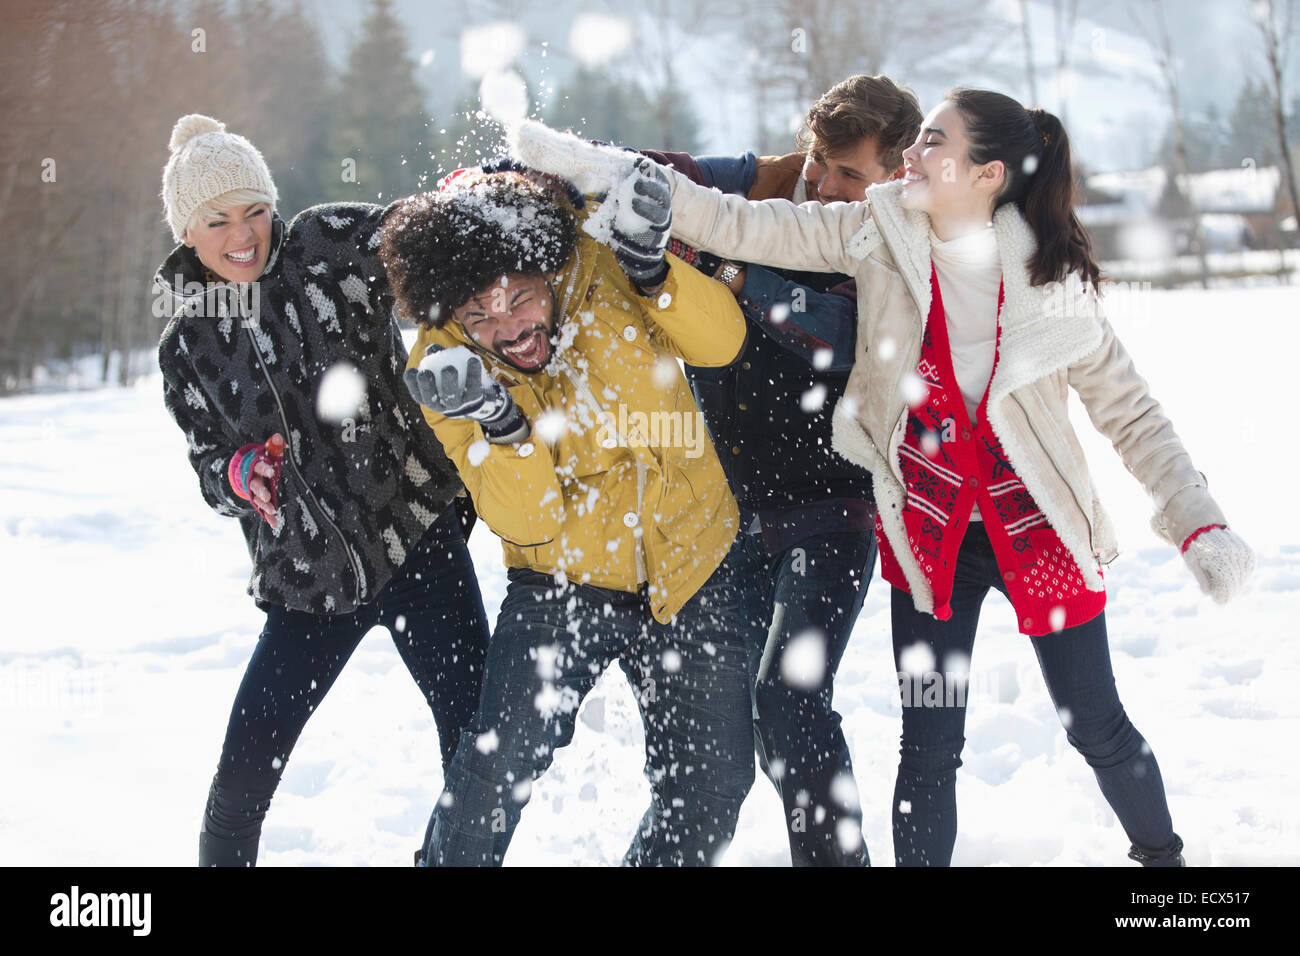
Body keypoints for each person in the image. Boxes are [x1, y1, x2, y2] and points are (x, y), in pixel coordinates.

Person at [511, 89, 1255, 867]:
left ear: (986, 173)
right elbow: (739, 220)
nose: (911, 156)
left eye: (933, 142)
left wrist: (1196, 519)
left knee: (1094, 725)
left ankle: (1166, 870)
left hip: (1041, 536)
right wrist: (601, 168)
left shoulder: (1052, 285)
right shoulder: (878, 229)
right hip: (931, 543)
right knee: (930, 744)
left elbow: (1132, 415)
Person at [382, 163, 760, 866]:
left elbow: (724, 343)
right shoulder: (444, 364)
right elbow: (528, 521)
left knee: (713, 789)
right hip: (559, 584)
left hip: (690, 563)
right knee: (487, 787)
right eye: (481, 317)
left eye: (520, 300)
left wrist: (655, 275)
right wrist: (500, 425)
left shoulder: (607, 262)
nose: (510, 330)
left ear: (547, 271)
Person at [156, 114, 491, 866]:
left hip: (416, 537)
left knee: (477, 747)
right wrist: (242, 476)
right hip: (308, 579)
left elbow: (422, 239)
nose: (244, 234)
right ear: (187, 232)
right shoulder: (187, 345)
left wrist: (476, 194)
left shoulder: (326, 245)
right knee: (244, 769)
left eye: (254, 211)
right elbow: (210, 467)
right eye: (218, 221)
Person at [628, 74, 922, 866]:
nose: (822, 187)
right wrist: (565, 173)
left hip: (835, 504)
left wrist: (720, 269)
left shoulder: (897, 241)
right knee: (709, 742)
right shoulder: (767, 180)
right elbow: (664, 171)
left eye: (849, 175)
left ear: (894, 176)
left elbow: (834, 331)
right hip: (726, 511)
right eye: (820, 161)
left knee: (790, 699)